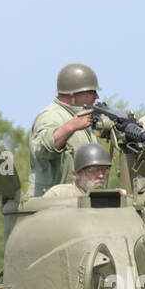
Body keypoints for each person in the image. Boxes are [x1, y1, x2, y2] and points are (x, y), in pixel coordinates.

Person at [28, 63, 104, 196]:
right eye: (91, 91)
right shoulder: (50, 116)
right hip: (50, 202)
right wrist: (71, 127)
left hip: (76, 201)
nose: (97, 96)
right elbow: (42, 149)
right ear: (73, 94)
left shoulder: (80, 116)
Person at [42, 143, 120, 197]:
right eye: (93, 170)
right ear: (78, 174)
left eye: (104, 170)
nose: (101, 175)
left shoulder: (110, 198)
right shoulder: (58, 194)